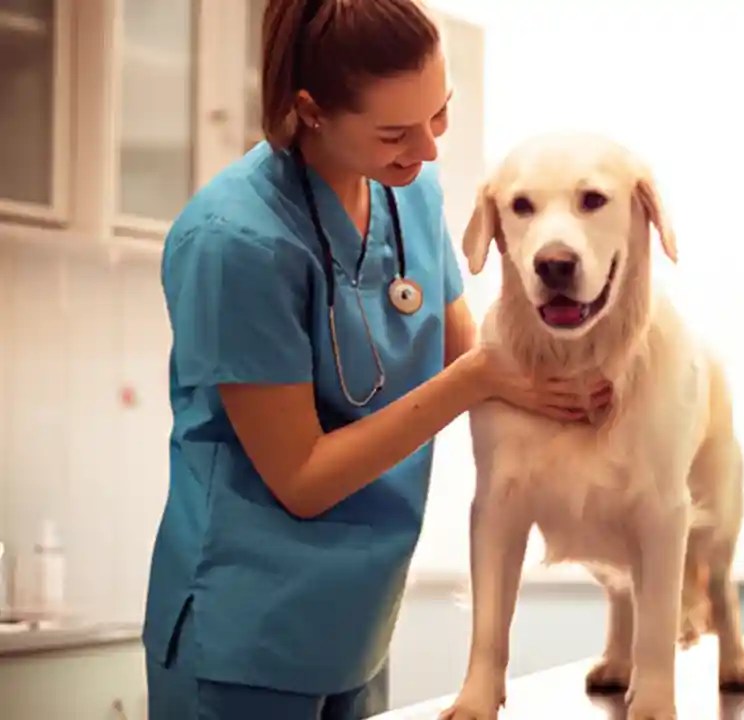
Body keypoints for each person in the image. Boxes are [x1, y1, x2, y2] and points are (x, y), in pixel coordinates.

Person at [141, 1, 611, 717]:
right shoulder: (236, 241)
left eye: (440, 116)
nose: (426, 150)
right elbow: (302, 477)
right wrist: (482, 376)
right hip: (245, 633)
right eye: (395, 132)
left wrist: (592, 362)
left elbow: (475, 355)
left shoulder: (409, 190)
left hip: (356, 625)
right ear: (311, 110)